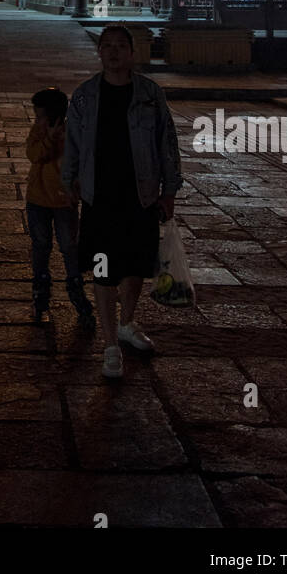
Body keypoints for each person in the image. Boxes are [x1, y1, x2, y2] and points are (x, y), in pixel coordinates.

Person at [63, 24, 183, 379]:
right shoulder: (85, 96)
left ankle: (128, 322)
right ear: (99, 52)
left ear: (132, 53)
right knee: (103, 267)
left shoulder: (150, 94)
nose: (113, 52)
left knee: (134, 264)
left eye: (120, 46)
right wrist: (68, 181)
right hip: (99, 194)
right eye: (107, 46)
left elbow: (167, 142)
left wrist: (170, 190)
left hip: (141, 192)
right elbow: (71, 143)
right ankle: (110, 340)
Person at [25, 87, 94, 326]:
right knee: (41, 245)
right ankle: (40, 294)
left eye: (40, 116)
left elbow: (80, 162)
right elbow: (34, 154)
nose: (38, 120)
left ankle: (77, 292)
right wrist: (49, 137)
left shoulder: (73, 133)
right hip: (37, 199)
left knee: (69, 246)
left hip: (64, 202)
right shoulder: (40, 131)